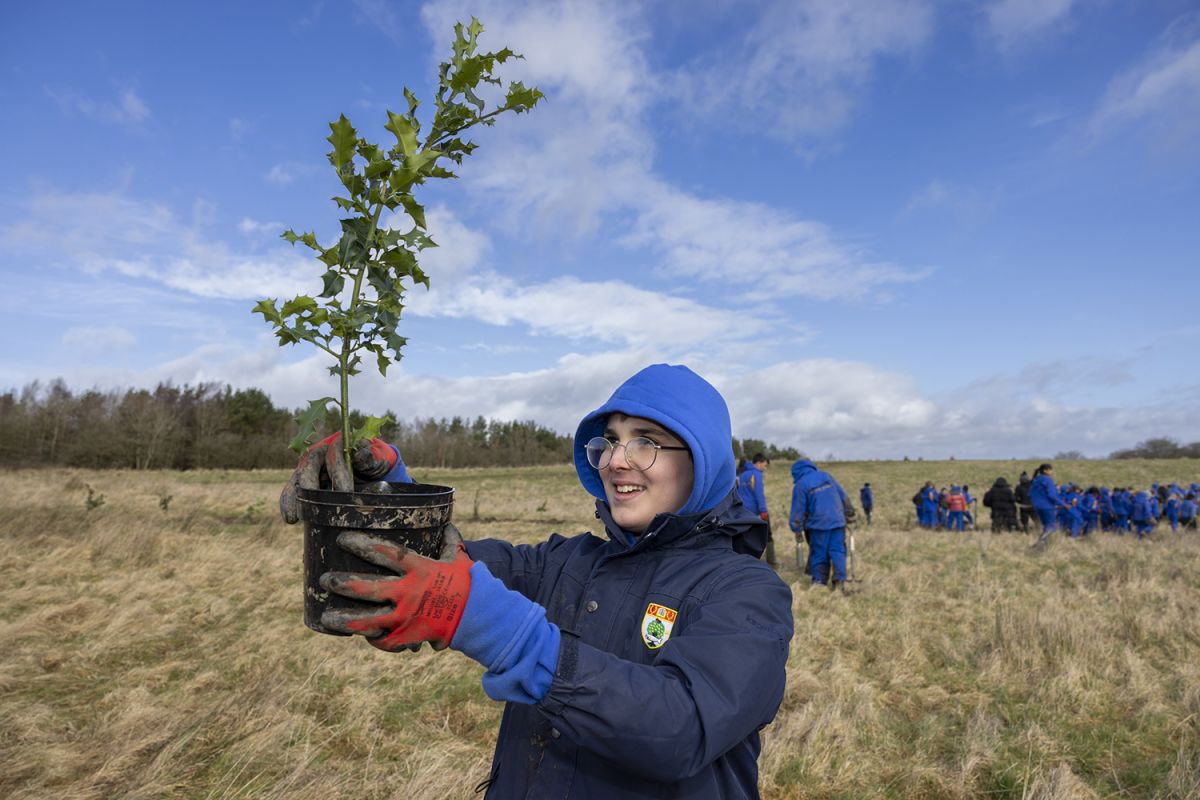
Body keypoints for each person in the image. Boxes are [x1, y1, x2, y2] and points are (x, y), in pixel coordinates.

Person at [281, 363, 794, 798]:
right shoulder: (567, 562)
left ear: (702, 463)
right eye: (611, 441)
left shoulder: (747, 592)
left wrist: (514, 638)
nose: (618, 460)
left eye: (647, 442)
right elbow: (445, 570)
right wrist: (387, 496)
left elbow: (681, 727)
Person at [789, 457, 853, 589]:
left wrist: (797, 528)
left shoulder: (801, 484)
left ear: (796, 473)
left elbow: (798, 509)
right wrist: (849, 511)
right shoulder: (825, 475)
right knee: (838, 550)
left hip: (819, 525)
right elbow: (842, 494)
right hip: (838, 521)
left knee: (819, 553)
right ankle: (840, 581)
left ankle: (820, 582)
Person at [737, 453, 778, 567]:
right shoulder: (756, 474)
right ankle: (771, 561)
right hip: (755, 512)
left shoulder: (743, 474)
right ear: (759, 463)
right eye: (764, 466)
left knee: (745, 537)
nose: (765, 469)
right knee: (767, 535)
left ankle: (745, 561)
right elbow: (759, 494)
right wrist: (763, 511)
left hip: (742, 511)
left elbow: (739, 492)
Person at [1029, 463, 1065, 549]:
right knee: (1051, 526)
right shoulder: (1048, 480)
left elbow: (1030, 492)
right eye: (1050, 469)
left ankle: (1043, 545)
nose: (1052, 471)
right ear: (1045, 470)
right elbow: (1052, 495)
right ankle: (1040, 541)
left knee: (1046, 526)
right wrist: (1063, 504)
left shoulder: (1036, 480)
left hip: (1037, 506)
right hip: (1047, 506)